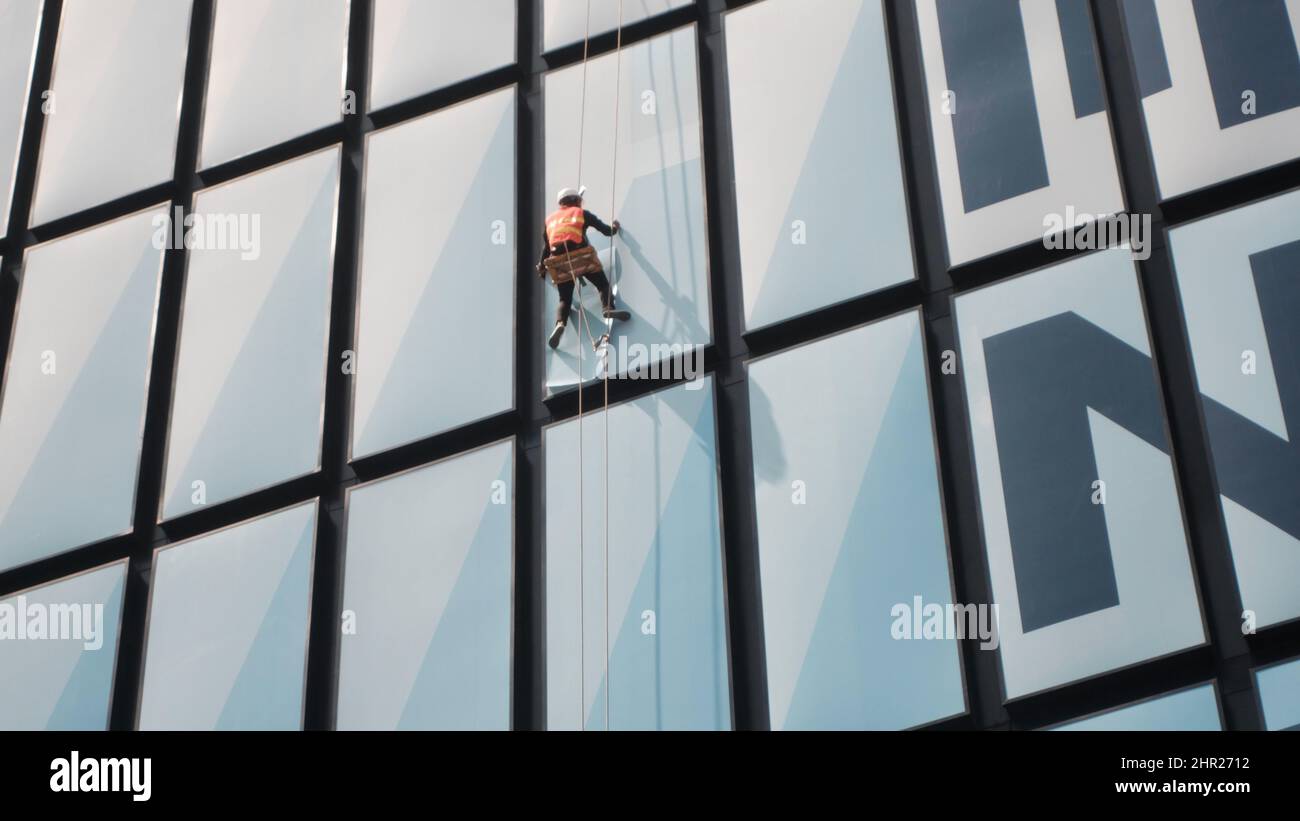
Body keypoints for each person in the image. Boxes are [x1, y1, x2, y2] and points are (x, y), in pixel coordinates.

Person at [538, 187, 631, 349]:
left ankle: (560, 323)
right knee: (602, 284)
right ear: (576, 200)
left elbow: (546, 248)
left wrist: (541, 268)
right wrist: (615, 226)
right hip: (582, 257)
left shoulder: (550, 220)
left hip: (559, 264)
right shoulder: (581, 214)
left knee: (564, 299)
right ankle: (607, 308)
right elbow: (607, 231)